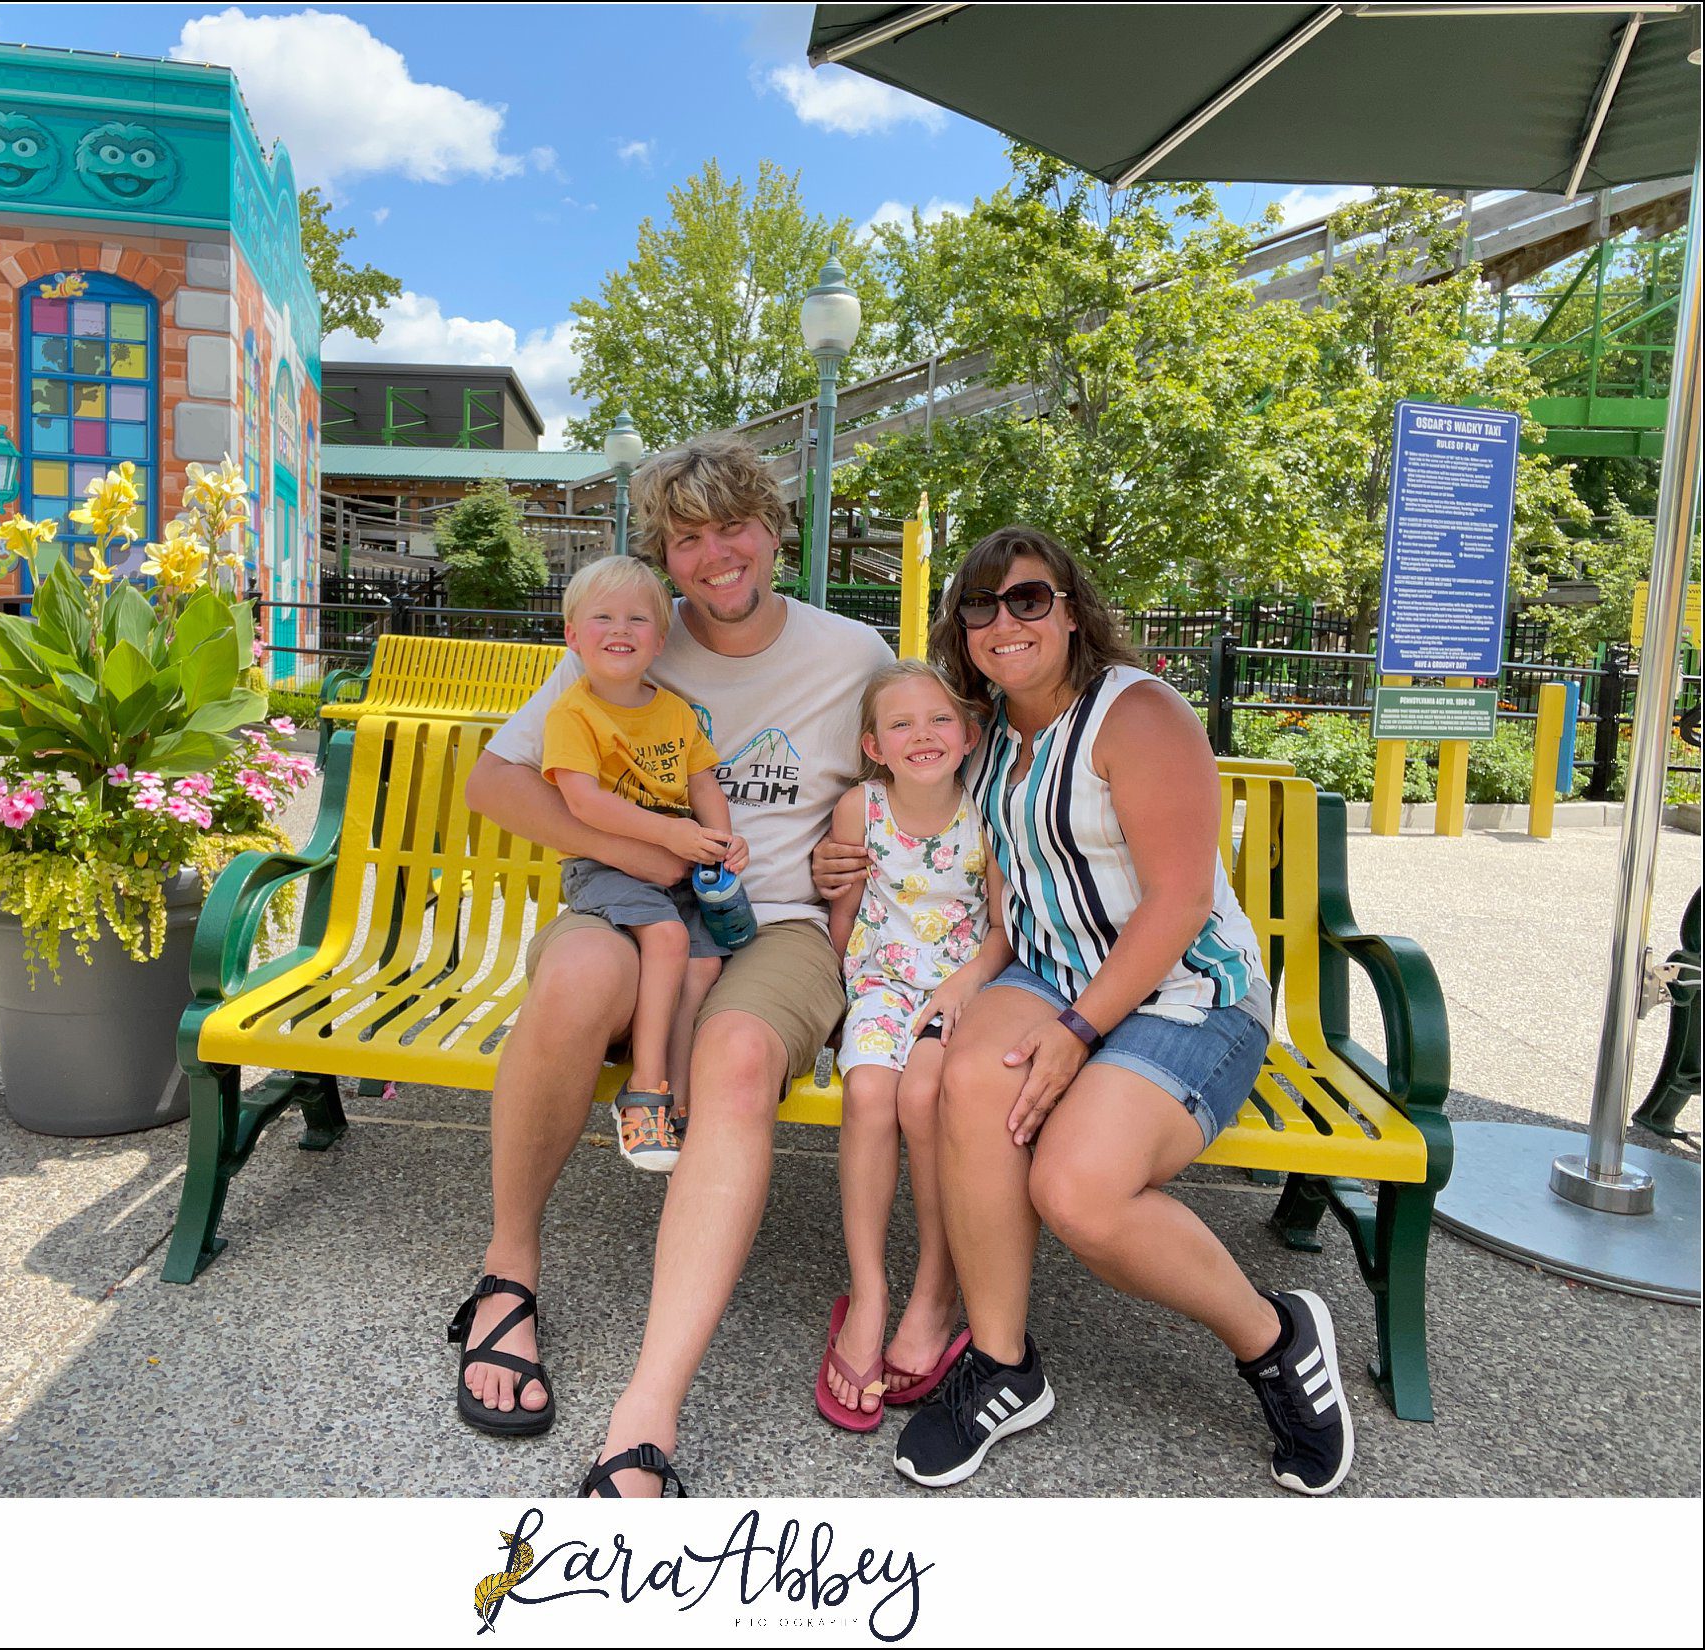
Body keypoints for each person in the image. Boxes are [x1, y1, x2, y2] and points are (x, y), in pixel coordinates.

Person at [819, 525, 1352, 1497]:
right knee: (965, 1082)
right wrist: (837, 861)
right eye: (979, 606)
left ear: (1070, 611)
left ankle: (1274, 1338)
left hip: (1185, 993)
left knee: (1076, 1191)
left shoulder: (1135, 715)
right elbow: (916, 821)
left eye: (1028, 599)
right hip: (1048, 973)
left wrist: (1074, 1035)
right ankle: (1002, 1363)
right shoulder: (987, 731)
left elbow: (1178, 902)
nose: (1004, 622)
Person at [450, 434, 893, 1493]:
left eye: (733, 527)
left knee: (736, 1060)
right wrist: (642, 853)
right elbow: (496, 783)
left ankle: (646, 1411)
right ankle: (507, 1272)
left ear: (774, 530)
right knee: (574, 979)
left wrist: (853, 845)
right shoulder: (629, 633)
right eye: (686, 539)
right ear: (662, 554)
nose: (714, 556)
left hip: (777, 923)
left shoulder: (852, 655)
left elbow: (915, 778)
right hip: (631, 902)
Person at [817, 659, 1009, 1431]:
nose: (921, 736)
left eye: (938, 720)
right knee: (869, 1091)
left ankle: (937, 1279)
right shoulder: (859, 809)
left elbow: (1002, 930)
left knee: (923, 1096)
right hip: (879, 984)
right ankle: (869, 1292)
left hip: (957, 989)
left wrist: (964, 985)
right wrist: (838, 1003)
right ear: (874, 745)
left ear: (969, 734)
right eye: (900, 724)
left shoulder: (987, 815)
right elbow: (844, 913)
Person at [542, 554, 747, 1171]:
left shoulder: (674, 711)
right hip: (604, 866)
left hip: (678, 865)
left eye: (637, 619)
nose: (620, 629)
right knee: (666, 937)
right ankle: (643, 1091)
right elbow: (584, 801)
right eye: (602, 617)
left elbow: (703, 781)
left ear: (659, 641)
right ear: (573, 636)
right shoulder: (574, 713)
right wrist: (671, 835)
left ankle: (679, 1093)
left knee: (704, 964)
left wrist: (722, 840)